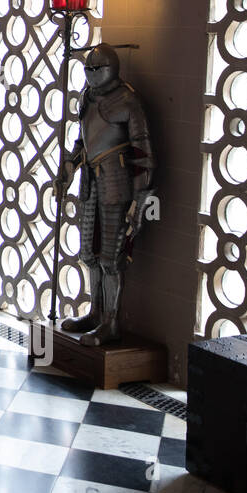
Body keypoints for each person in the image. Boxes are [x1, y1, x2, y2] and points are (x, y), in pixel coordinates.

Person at [53, 43, 155, 346]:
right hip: (90, 181)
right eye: (89, 69)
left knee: (111, 258)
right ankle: (95, 312)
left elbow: (144, 154)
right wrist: (68, 168)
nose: (92, 74)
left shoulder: (128, 101)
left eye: (97, 69)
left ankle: (111, 322)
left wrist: (140, 202)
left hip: (116, 182)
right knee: (88, 253)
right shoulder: (87, 97)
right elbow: (82, 141)